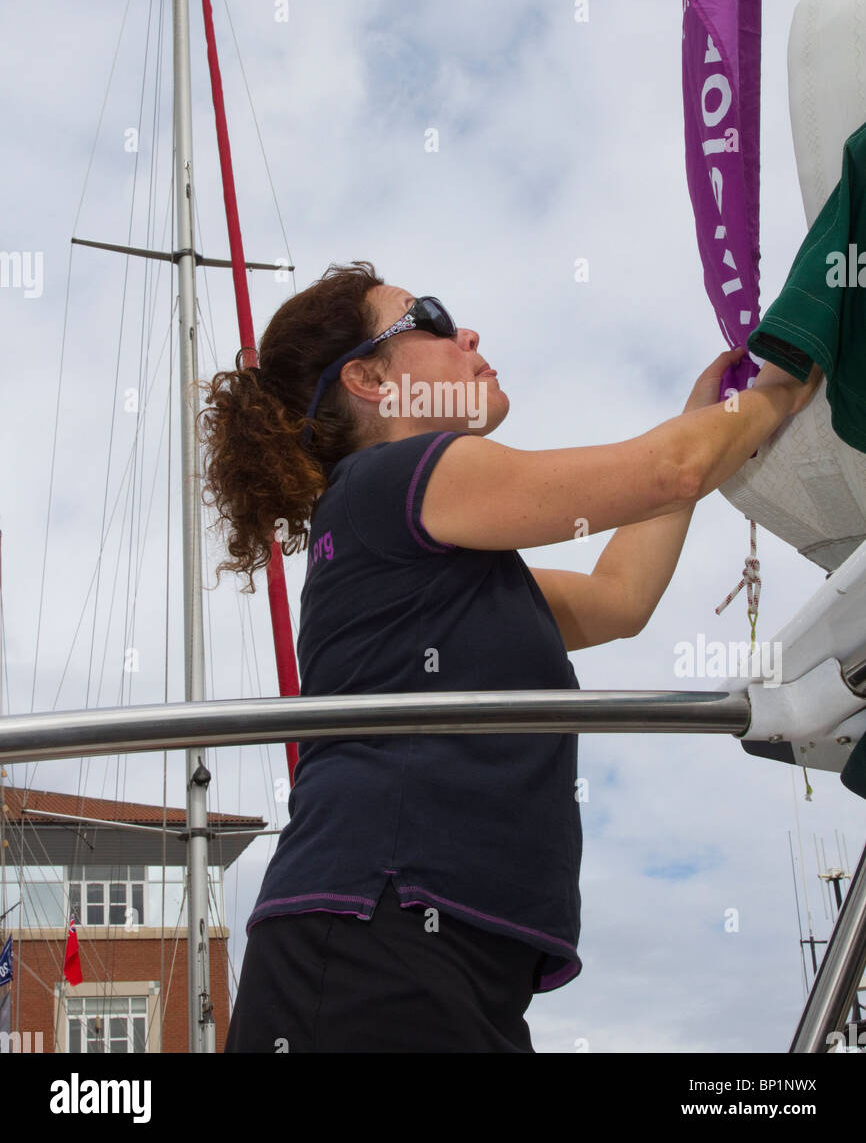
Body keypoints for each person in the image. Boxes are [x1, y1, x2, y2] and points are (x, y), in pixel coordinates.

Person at [200, 260, 823, 1054]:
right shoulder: (395, 479)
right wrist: (779, 387)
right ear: (367, 378)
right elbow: (671, 469)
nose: (468, 333)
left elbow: (619, 596)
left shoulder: (416, 550)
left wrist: (704, 415)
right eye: (427, 315)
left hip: (415, 946)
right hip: (376, 935)